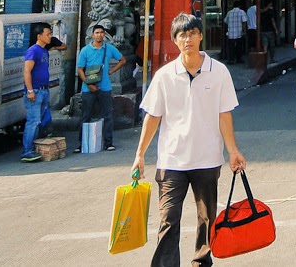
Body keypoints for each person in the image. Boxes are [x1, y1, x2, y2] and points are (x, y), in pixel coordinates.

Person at [132, 14, 245, 267]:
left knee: (207, 219)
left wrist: (233, 151)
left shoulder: (219, 72)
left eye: (192, 33)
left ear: (201, 36)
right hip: (172, 161)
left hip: (207, 159)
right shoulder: (164, 76)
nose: (188, 39)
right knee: (168, 219)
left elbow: (224, 114)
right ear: (175, 40)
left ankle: (201, 262)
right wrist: (140, 155)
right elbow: (153, 116)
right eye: (182, 35)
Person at [75, 24, 125, 153]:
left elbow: (122, 60)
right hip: (87, 89)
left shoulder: (109, 49)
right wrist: (88, 84)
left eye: (102, 32)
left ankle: (108, 142)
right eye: (97, 32)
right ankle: (82, 143)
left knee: (107, 115)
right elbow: (80, 69)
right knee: (85, 116)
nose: (100, 35)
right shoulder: (85, 50)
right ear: (92, 35)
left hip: (105, 87)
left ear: (105, 35)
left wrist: (111, 71)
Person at [21, 23, 54, 163]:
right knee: (33, 121)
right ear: (39, 36)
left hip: (43, 90)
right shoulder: (33, 51)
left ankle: (34, 148)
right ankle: (27, 151)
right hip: (34, 91)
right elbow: (26, 71)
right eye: (48, 34)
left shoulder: (45, 51)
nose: (50, 36)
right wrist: (30, 90)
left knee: (39, 121)